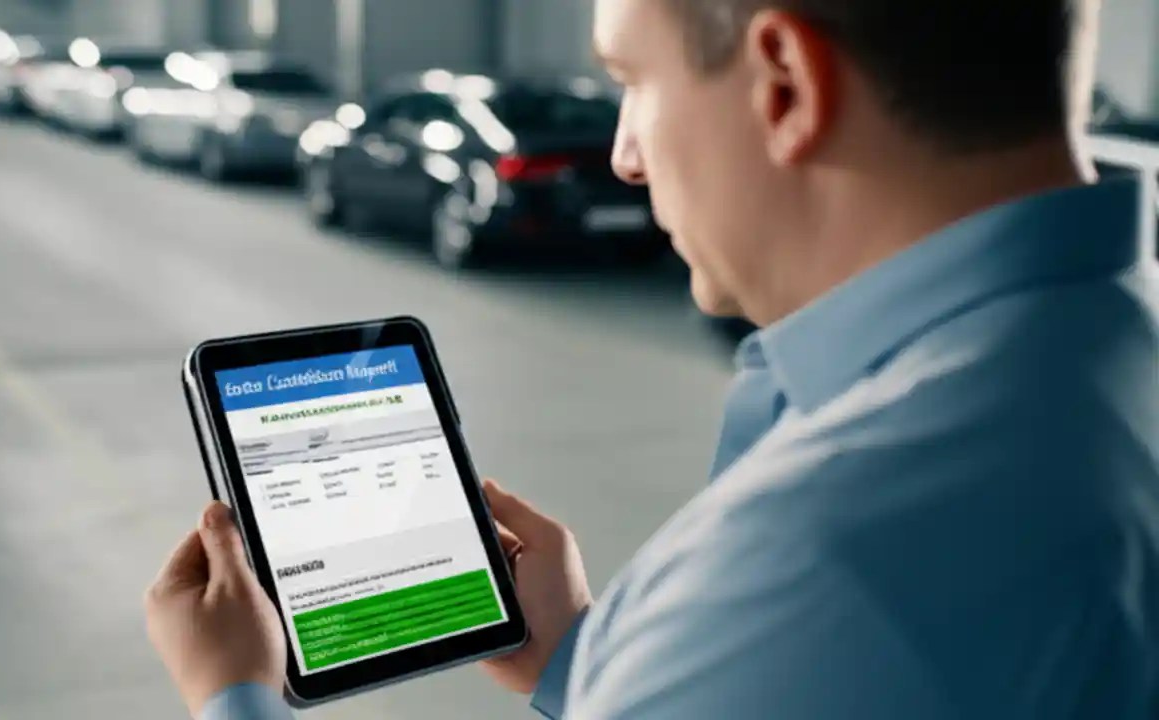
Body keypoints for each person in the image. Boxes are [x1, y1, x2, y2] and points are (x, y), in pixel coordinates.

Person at [146, 0, 1159, 717]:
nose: (624, 153)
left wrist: (233, 692)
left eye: (630, 79)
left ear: (782, 85)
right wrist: (593, 660)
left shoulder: (828, 561)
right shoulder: (1111, 349)